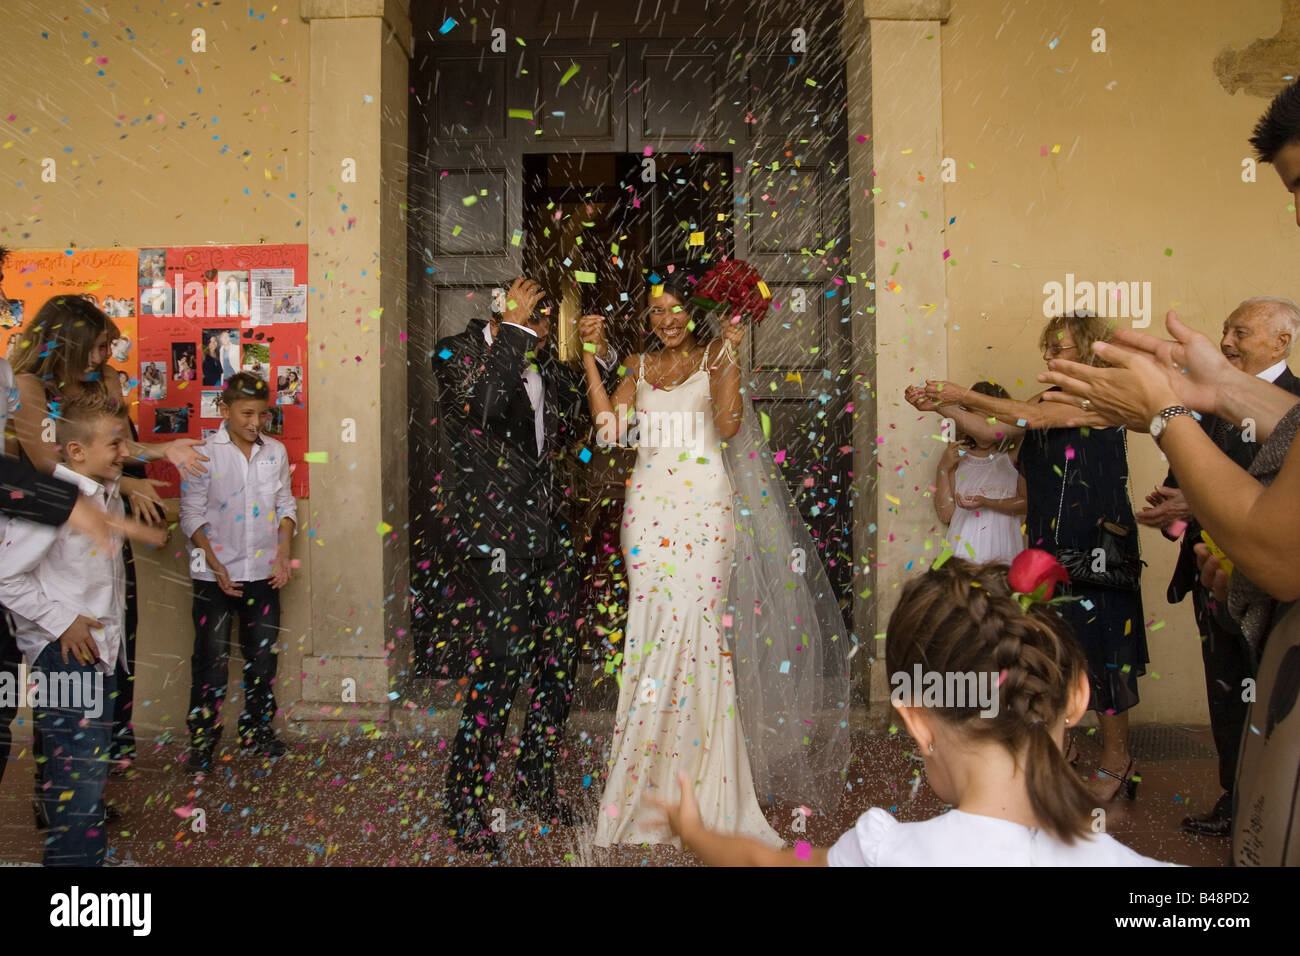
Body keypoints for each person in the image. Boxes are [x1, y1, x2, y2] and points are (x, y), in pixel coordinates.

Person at [652, 553, 1175, 866]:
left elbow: (765, 862)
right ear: (1078, 695)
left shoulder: (884, 852)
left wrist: (695, 833)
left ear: (917, 721)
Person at [580, 264, 850, 849]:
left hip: (704, 510)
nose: (667, 320)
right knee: (652, 635)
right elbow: (608, 431)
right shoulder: (637, 366)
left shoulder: (714, 357)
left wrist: (730, 350)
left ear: (693, 313)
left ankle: (708, 789)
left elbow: (727, 426)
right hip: (648, 514)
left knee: (700, 635)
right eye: (656, 311)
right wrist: (589, 359)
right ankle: (643, 792)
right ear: (647, 319)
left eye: (676, 309)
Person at [907, 311, 1146, 803]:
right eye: (1047, 347)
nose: (1048, 356)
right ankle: (1064, 750)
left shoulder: (1102, 394)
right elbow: (996, 432)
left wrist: (962, 393)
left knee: (1105, 652)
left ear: (1089, 350)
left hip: (1094, 546)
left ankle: (1117, 761)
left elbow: (1030, 420)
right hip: (1048, 545)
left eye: (1059, 347)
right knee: (1056, 649)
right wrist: (943, 408)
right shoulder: (1045, 399)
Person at [430, 276, 621, 857]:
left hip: (551, 531)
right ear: (504, 310)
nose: (540, 327)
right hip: (494, 535)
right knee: (503, 662)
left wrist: (598, 352)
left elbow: (585, 406)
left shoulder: (541, 361)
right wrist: (514, 329)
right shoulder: (455, 352)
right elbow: (485, 408)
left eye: (542, 317)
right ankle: (465, 801)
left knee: (560, 657)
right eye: (532, 315)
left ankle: (535, 780)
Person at [8, 294, 208, 812]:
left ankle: (84, 791)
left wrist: (152, 459)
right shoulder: (29, 387)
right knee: (60, 677)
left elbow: (115, 446)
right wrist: (123, 486)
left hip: (97, 539)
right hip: (48, 539)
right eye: (97, 346)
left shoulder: (99, 383)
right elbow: (51, 464)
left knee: (110, 657)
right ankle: (61, 800)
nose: (104, 357)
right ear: (68, 342)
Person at [1135, 297, 1300, 838]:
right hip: (1209, 580)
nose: (1227, 341)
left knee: (1272, 698)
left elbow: (1276, 504)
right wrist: (1173, 512)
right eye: (1226, 329)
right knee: (1226, 692)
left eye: (1241, 332)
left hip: (1271, 595)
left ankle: (1271, 811)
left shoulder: (1294, 404)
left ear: (1282, 341)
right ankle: (1235, 797)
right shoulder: (1204, 403)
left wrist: (1198, 502)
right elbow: (1190, 477)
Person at [0, 393, 134, 865]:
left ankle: (83, 864)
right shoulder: (51, 500)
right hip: (67, 657)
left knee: (88, 778)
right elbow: (5, 576)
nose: (125, 452)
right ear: (76, 450)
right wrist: (64, 623)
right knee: (77, 784)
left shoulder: (106, 494)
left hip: (97, 654)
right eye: (115, 444)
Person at [179, 373, 295, 774]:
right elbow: (190, 515)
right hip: (213, 577)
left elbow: (286, 505)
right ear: (225, 409)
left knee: (262, 658)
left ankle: (257, 730)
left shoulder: (275, 452)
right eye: (247, 414)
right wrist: (215, 563)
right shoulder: (203, 453)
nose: (255, 423)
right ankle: (202, 741)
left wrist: (283, 552)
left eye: (262, 414)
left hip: (263, 573)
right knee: (210, 661)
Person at [928, 381, 1026, 565]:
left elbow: (1025, 505)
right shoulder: (957, 458)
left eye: (991, 422)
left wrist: (987, 502)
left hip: (1003, 547)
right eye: (976, 422)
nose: (983, 430)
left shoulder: (1011, 457)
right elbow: (946, 514)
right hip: (964, 549)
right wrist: (944, 467)